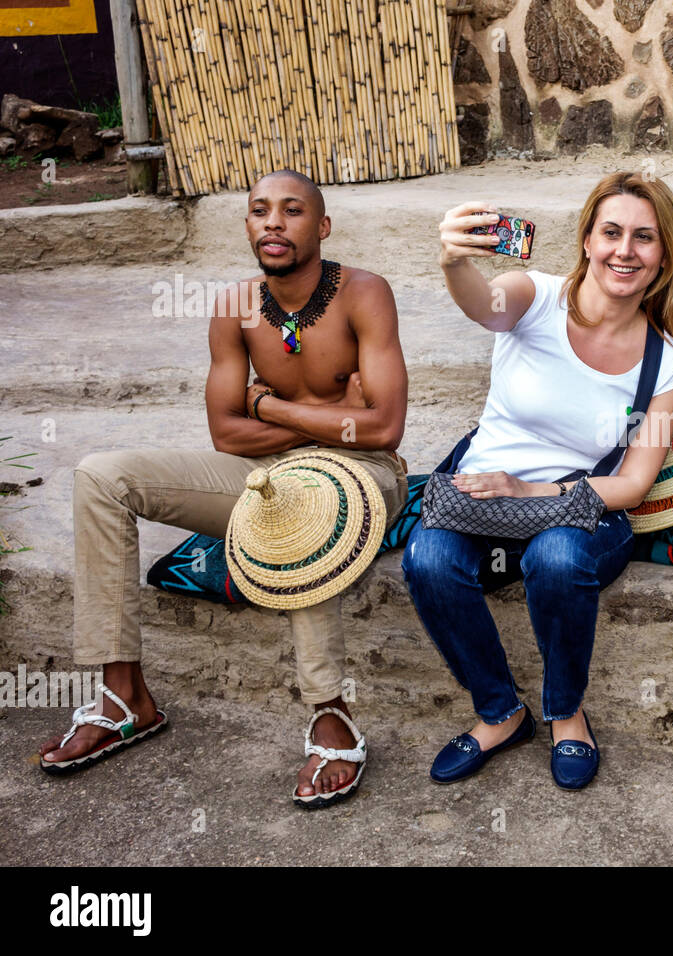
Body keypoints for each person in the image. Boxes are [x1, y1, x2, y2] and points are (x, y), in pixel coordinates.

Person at [37, 169, 409, 809]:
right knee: (103, 474)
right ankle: (125, 695)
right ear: (247, 226)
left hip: (366, 476)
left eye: (292, 211)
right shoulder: (234, 307)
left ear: (320, 227)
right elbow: (224, 437)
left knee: (297, 501)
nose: (273, 222)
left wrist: (269, 408)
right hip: (272, 467)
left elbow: (383, 426)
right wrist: (321, 424)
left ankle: (330, 711)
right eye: (260, 210)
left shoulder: (364, 293)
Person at [403, 172, 673, 790]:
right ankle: (501, 713)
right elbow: (482, 304)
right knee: (428, 558)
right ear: (587, 239)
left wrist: (536, 492)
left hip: (584, 507)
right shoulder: (532, 296)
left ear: (664, 255)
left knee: (558, 557)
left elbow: (635, 482)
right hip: (481, 496)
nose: (625, 251)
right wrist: (453, 259)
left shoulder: (665, 359)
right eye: (611, 232)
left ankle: (565, 713)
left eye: (645, 238)